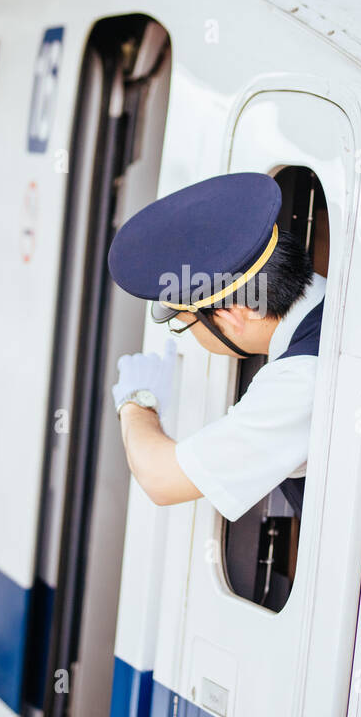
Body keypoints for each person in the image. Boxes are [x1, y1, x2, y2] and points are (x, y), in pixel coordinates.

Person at [106, 171, 325, 522]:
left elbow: (160, 479)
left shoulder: (302, 380)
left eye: (186, 324)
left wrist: (137, 402)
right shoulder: (333, 306)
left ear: (233, 314)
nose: (191, 334)